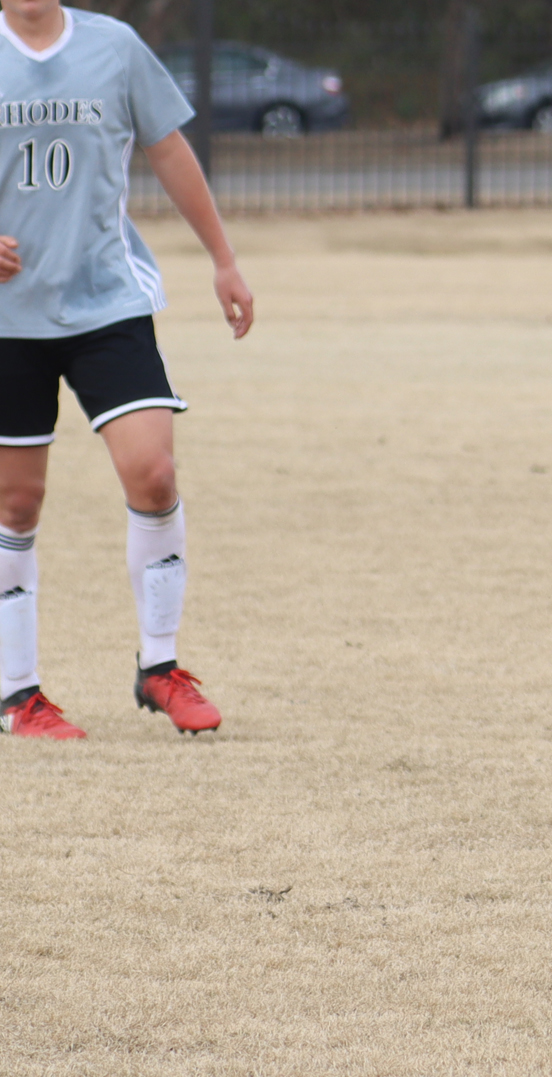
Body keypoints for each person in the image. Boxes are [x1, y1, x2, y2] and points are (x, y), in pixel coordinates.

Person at [0, 0, 254, 739]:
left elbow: (168, 149)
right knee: (16, 504)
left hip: (107, 302)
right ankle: (17, 696)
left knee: (154, 473)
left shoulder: (114, 46)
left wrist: (223, 259)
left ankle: (160, 666)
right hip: (8, 319)